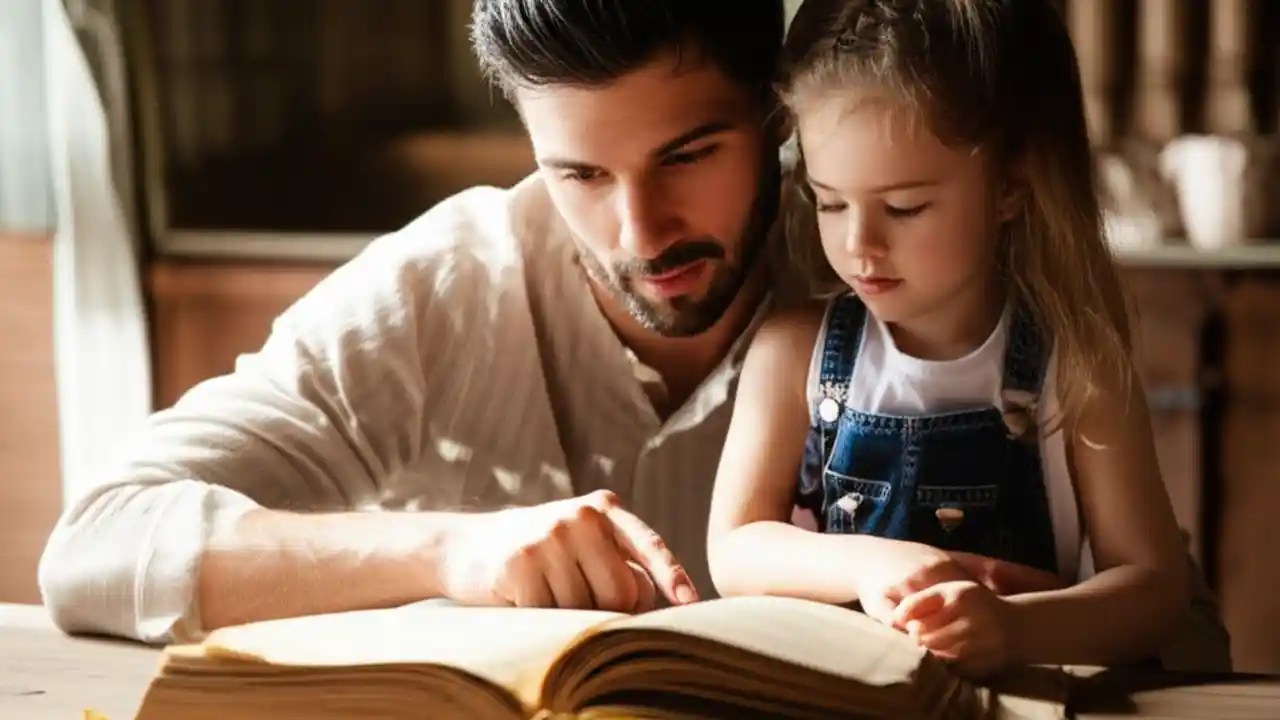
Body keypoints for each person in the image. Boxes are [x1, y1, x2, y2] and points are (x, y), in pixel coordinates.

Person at [38, 0, 794, 643]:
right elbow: (95, 547)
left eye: (687, 157)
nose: (640, 233)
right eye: (581, 174)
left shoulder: (883, 275)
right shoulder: (443, 286)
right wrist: (451, 549)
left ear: (779, 112)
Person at [707, 0, 1214, 677]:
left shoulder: (1077, 367)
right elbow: (734, 549)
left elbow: (1153, 591)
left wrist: (1014, 628)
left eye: (904, 207)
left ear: (1008, 186)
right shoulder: (792, 353)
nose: (858, 244)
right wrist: (875, 563)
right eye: (829, 201)